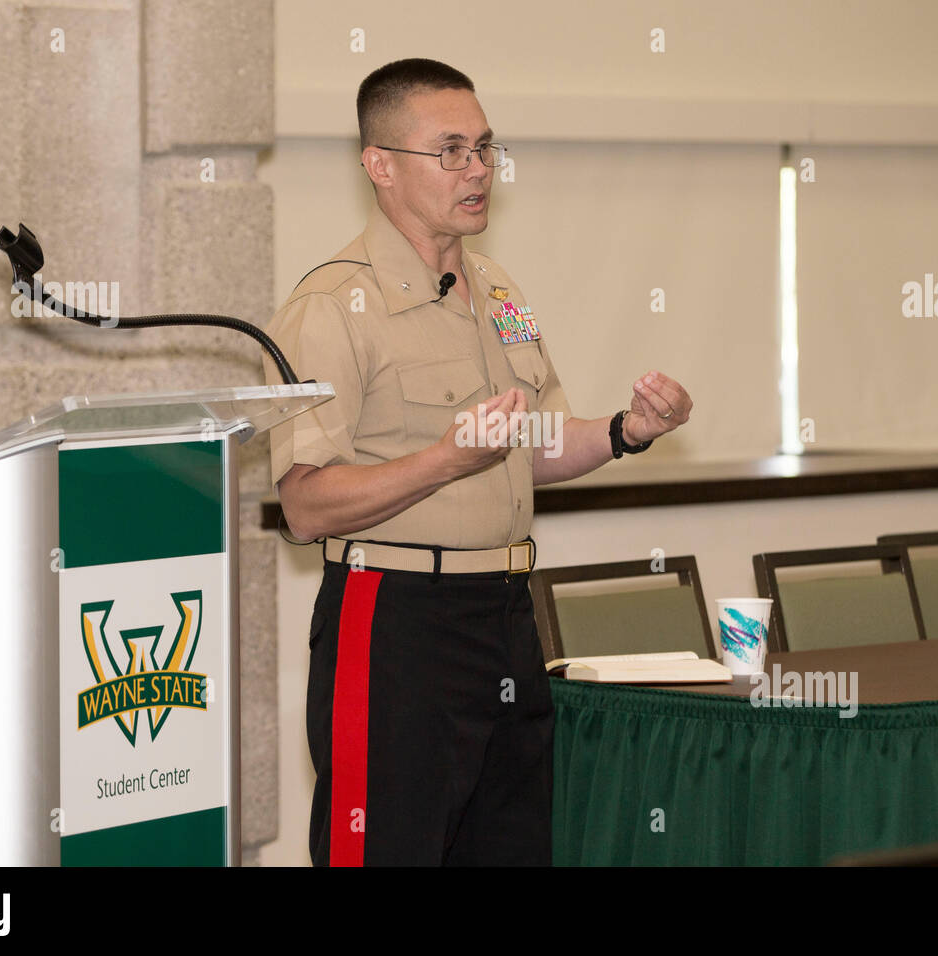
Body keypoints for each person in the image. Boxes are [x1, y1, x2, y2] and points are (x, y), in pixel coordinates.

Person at [263, 57, 692, 866]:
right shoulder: (329, 307)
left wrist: (626, 429)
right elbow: (308, 506)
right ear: (380, 166)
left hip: (505, 617)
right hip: (393, 624)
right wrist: (443, 461)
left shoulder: (499, 291)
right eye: (451, 150)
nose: (478, 170)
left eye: (486, 149)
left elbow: (531, 446)